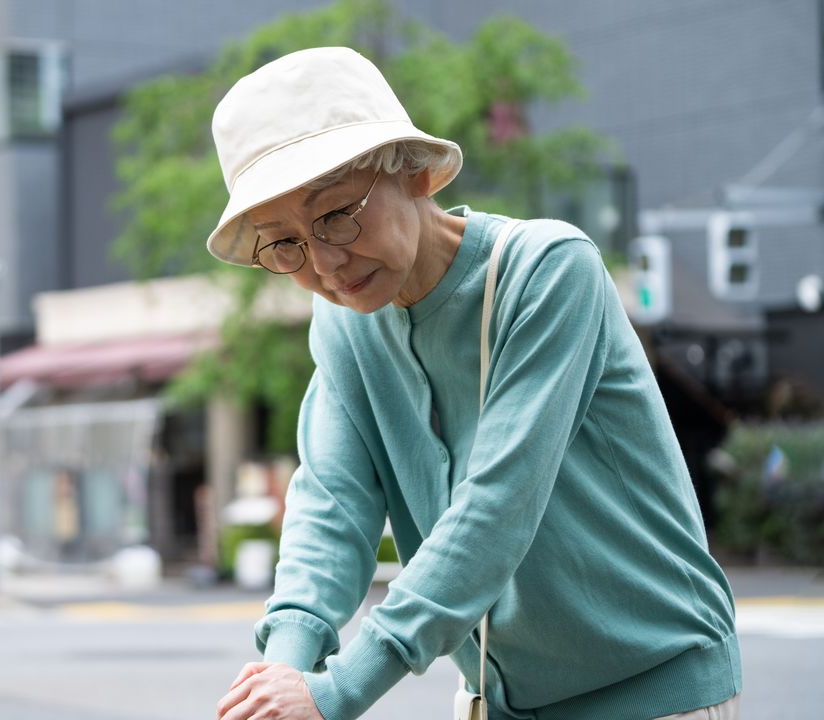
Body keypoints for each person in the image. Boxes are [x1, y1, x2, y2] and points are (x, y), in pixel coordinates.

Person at [209, 48, 740, 720]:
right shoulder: (343, 326)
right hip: (496, 703)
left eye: (338, 214)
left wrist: (341, 690)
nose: (324, 263)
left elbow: (497, 506)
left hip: (650, 690)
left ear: (416, 173)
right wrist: (281, 673)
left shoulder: (547, 273)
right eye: (283, 244)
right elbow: (331, 508)